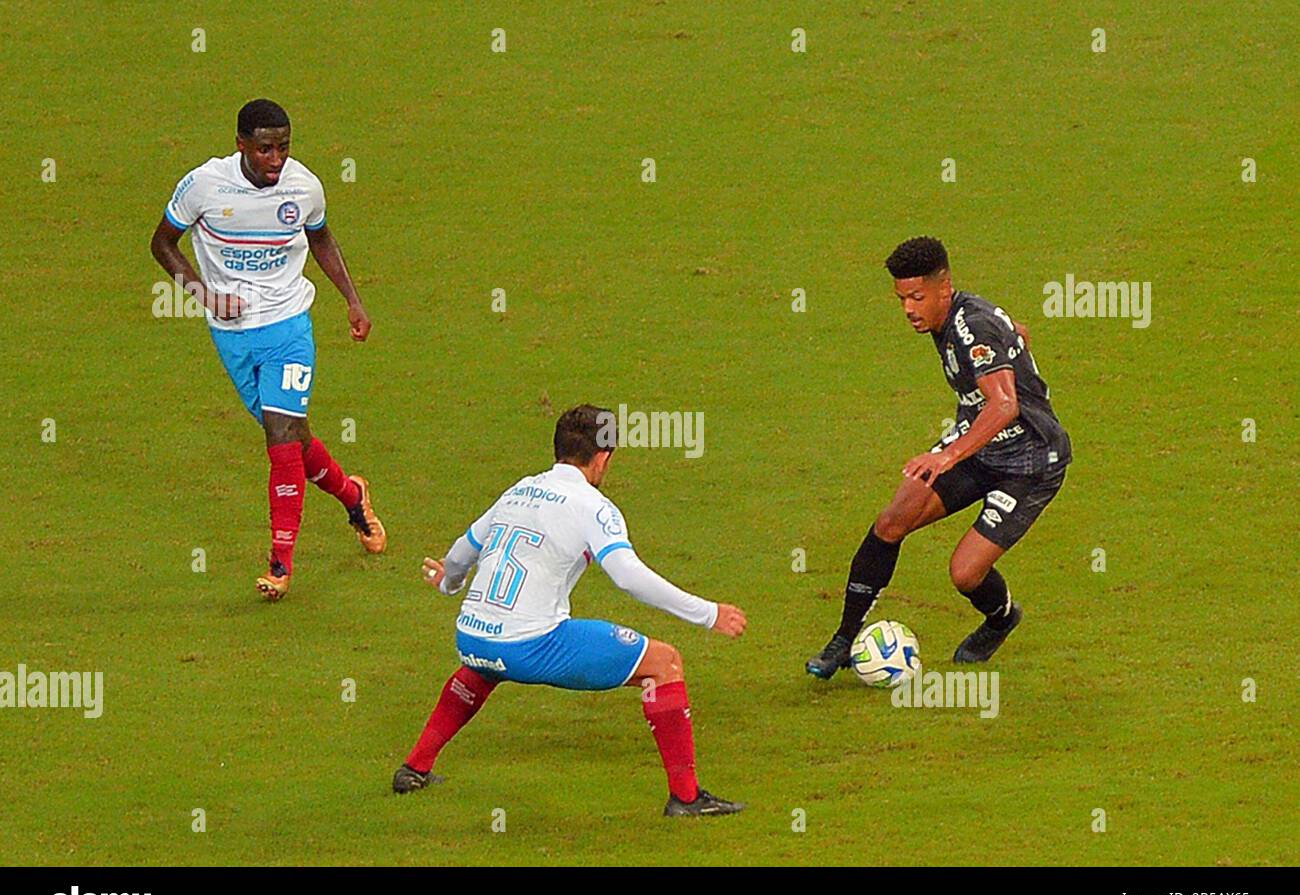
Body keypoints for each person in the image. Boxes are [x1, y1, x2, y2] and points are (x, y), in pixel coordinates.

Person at [395, 405, 749, 817]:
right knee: (664, 664)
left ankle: (414, 767)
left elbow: (461, 552)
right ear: (602, 458)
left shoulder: (518, 489)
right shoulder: (591, 505)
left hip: (471, 638)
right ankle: (686, 798)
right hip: (532, 646)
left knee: (485, 664)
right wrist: (708, 613)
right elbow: (628, 576)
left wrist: (449, 584)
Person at [149, 99, 385, 601]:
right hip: (231, 331)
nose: (276, 160)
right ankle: (352, 496)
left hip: (288, 326)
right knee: (295, 439)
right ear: (241, 146)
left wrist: (352, 299)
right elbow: (162, 243)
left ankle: (281, 562)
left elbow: (321, 239)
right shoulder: (204, 186)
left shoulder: (304, 186)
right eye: (264, 150)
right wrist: (203, 294)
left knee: (280, 437)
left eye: (283, 148)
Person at [807, 236, 1071, 676]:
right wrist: (1015, 340)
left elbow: (1005, 406)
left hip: (1029, 465)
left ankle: (1002, 617)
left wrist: (948, 456)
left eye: (917, 297)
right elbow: (1016, 332)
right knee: (893, 519)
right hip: (979, 445)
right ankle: (843, 640)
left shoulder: (974, 327)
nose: (909, 308)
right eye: (901, 298)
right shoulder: (956, 320)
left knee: (965, 574)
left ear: (944, 288)